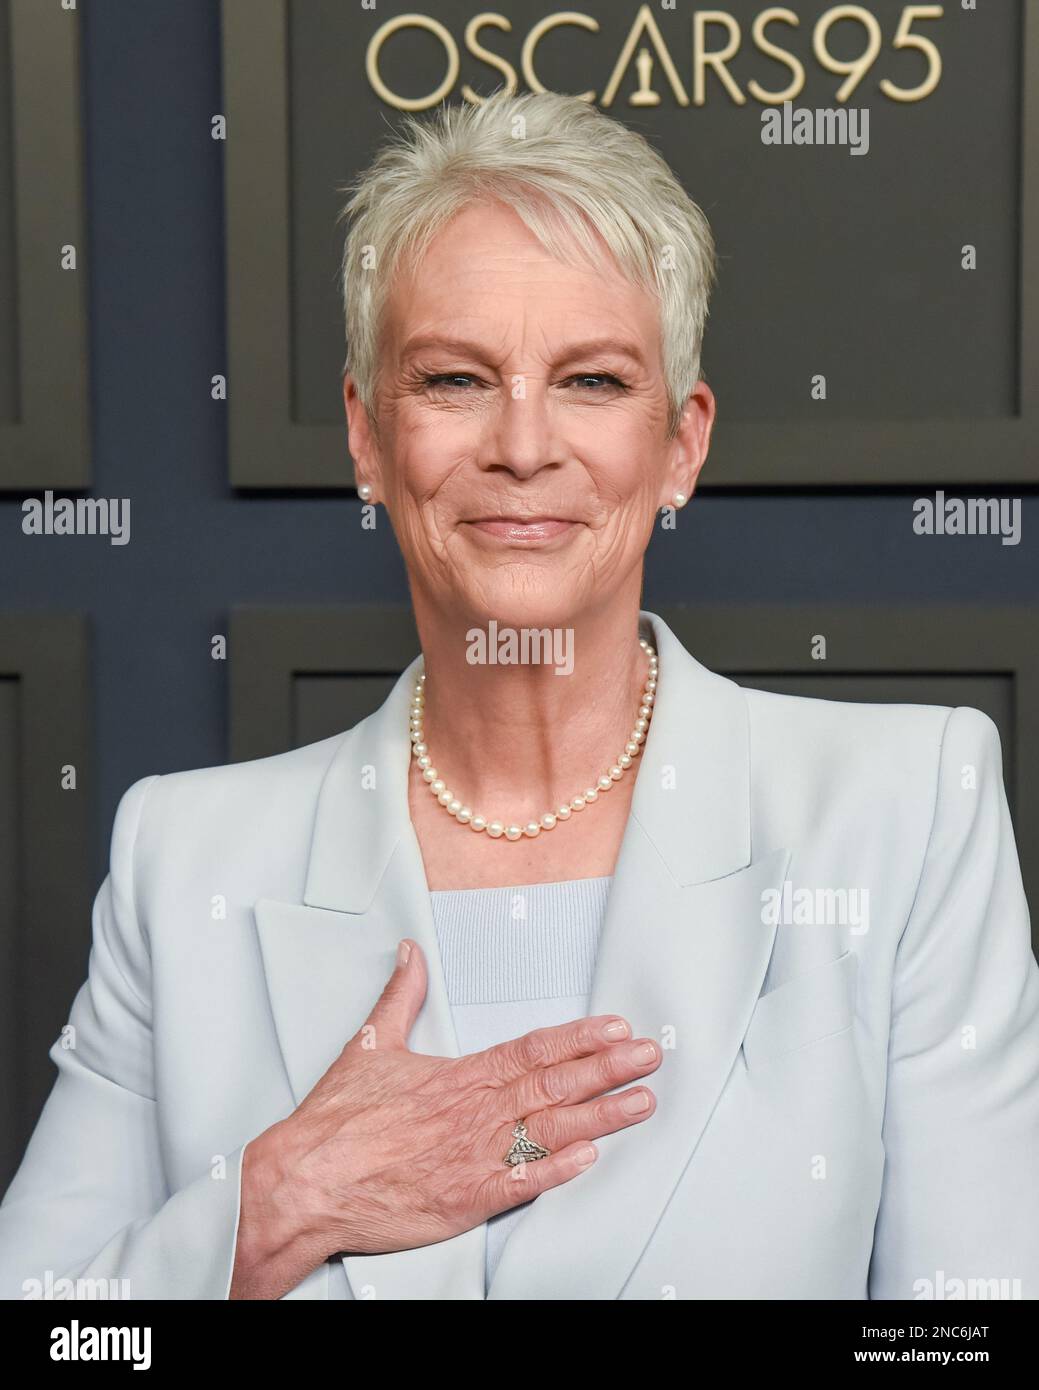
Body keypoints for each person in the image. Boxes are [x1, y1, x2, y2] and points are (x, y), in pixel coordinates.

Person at [2, 89, 1037, 1301]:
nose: (523, 444)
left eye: (592, 381)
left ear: (682, 444)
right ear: (365, 436)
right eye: (455, 378)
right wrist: (278, 1203)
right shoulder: (185, 863)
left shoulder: (903, 813)